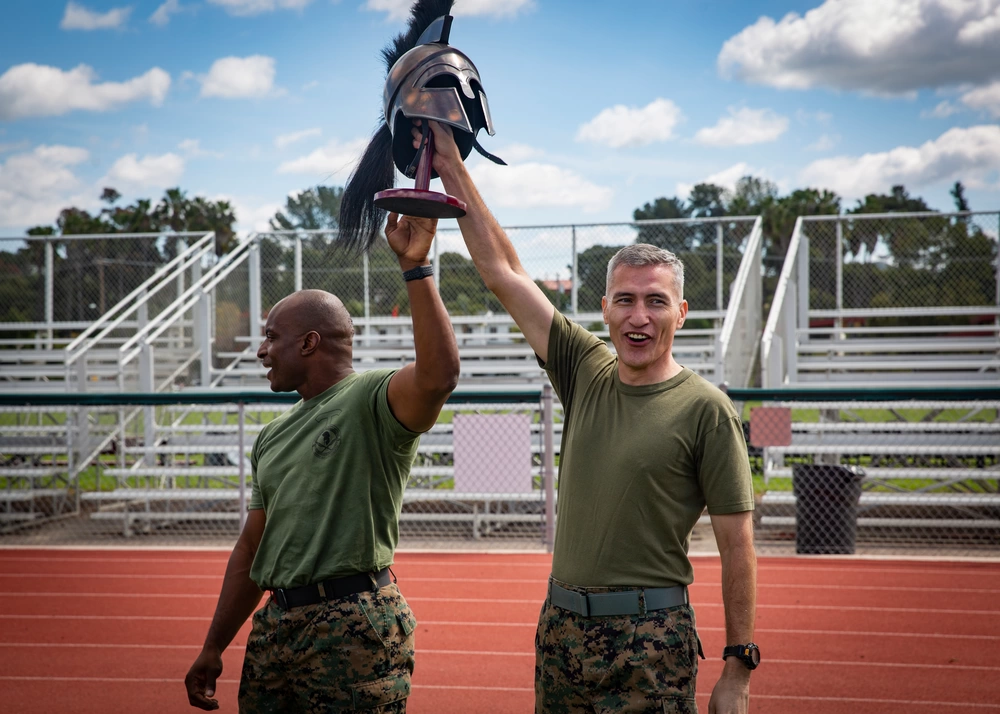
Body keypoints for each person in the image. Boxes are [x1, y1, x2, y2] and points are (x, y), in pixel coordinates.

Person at [418, 119, 758, 714]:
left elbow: (738, 545)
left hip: (650, 643)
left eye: (656, 301)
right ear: (605, 309)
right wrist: (449, 160)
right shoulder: (585, 368)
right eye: (625, 299)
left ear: (681, 311)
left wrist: (737, 670)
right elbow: (504, 272)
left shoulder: (707, 409)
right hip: (561, 631)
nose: (640, 316)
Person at [184, 211, 460, 712]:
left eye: (271, 337)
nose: (261, 351)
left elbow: (439, 375)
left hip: (353, 623)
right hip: (277, 626)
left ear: (310, 342)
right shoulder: (271, 435)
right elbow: (251, 548)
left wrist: (416, 269)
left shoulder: (370, 396)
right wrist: (213, 645)